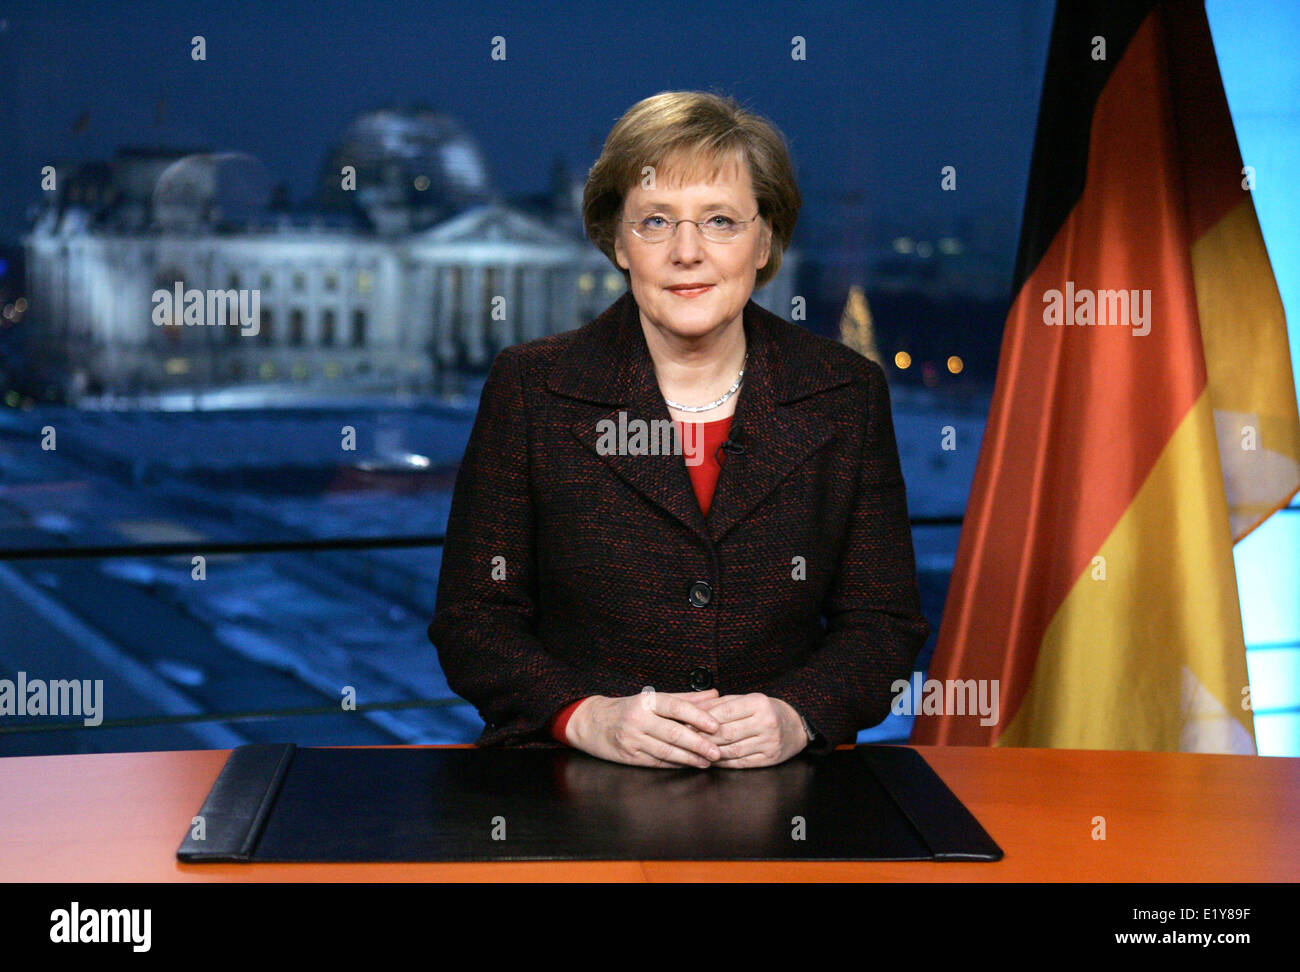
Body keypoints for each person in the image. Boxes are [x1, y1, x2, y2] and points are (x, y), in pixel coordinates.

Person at [428, 90, 929, 769]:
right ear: (618, 242)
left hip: (785, 799)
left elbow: (884, 625)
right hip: (572, 788)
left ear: (766, 240)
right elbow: (473, 622)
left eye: (720, 221)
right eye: (656, 222)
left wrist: (797, 714)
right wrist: (585, 716)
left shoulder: (845, 393)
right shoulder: (531, 388)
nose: (686, 253)